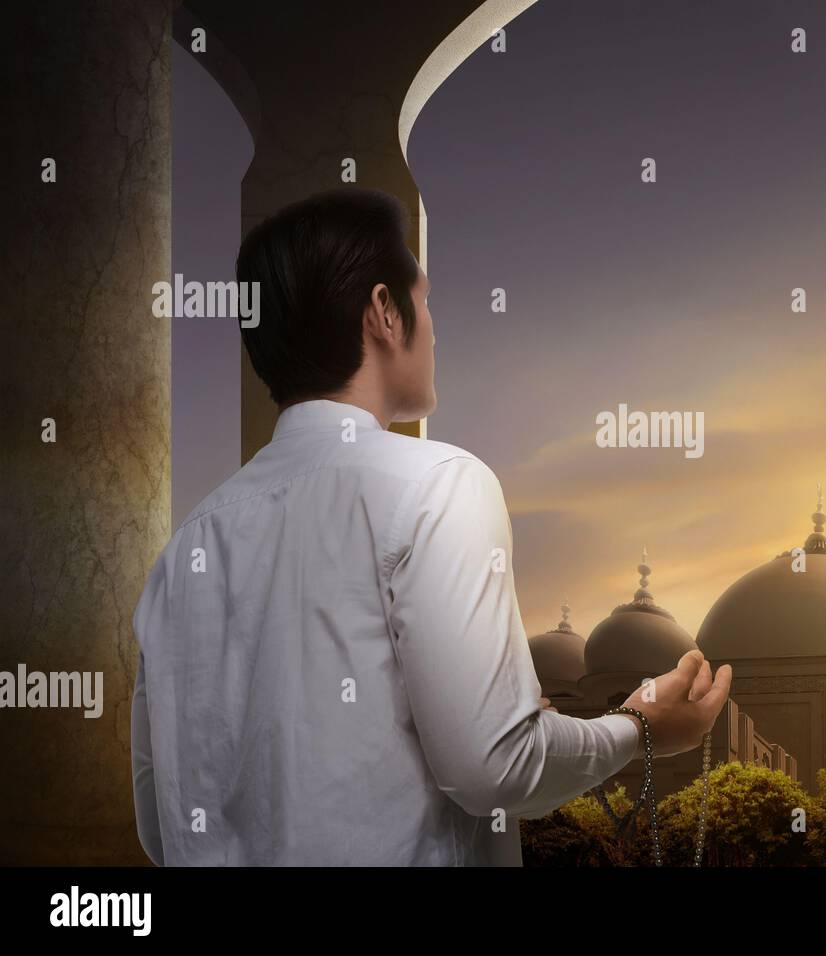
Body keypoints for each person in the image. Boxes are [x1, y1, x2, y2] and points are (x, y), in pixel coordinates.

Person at [130, 187, 731, 865]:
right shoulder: (438, 485)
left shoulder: (182, 555)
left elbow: (160, 824)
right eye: (426, 300)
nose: (436, 327)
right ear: (383, 312)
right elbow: (492, 767)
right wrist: (640, 728)